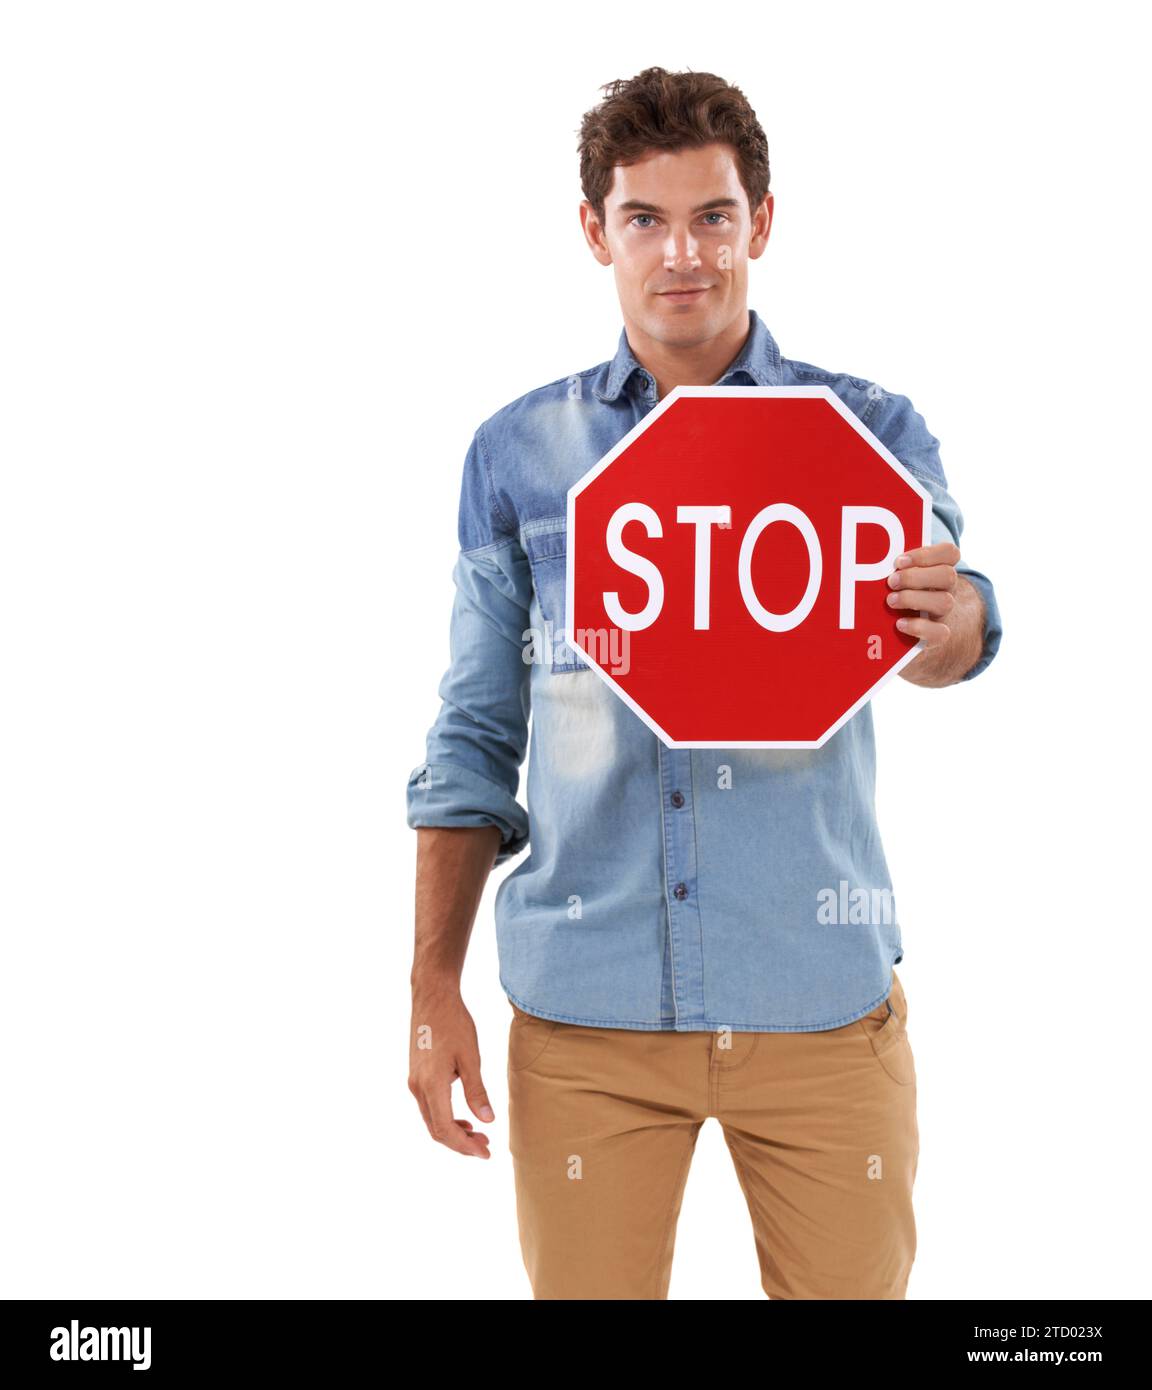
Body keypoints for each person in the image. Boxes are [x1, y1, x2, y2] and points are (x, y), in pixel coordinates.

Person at [406, 65, 1002, 1300]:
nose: (684, 253)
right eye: (645, 219)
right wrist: (430, 985)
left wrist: (961, 625)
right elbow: (474, 731)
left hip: (819, 1002)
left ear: (761, 223)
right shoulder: (518, 455)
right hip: (586, 1019)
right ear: (595, 231)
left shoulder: (867, 431)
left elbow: (952, 621)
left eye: (714, 216)